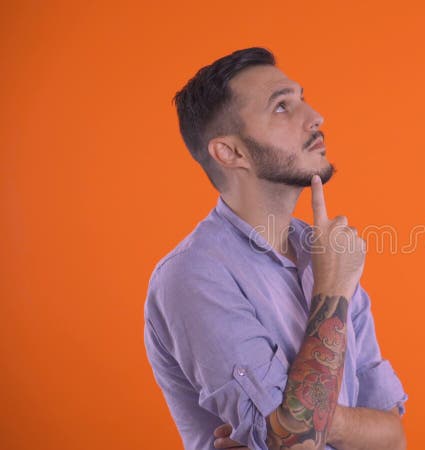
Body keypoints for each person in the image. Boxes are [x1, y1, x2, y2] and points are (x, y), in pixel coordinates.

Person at [144, 47, 408, 450]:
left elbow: (392, 438)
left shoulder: (321, 252)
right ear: (231, 152)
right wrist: (333, 289)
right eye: (282, 107)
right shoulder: (194, 275)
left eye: (301, 98)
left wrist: (307, 420)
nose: (315, 117)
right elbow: (297, 441)